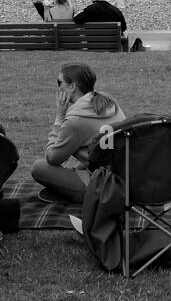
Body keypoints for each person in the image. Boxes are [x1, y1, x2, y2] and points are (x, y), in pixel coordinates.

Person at [30, 63, 126, 202]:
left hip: (101, 187)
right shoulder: (110, 102)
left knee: (38, 167)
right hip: (124, 178)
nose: (58, 87)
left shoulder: (75, 118)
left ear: (72, 86)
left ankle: (79, 195)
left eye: (59, 82)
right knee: (82, 163)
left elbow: (52, 158)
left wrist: (58, 119)